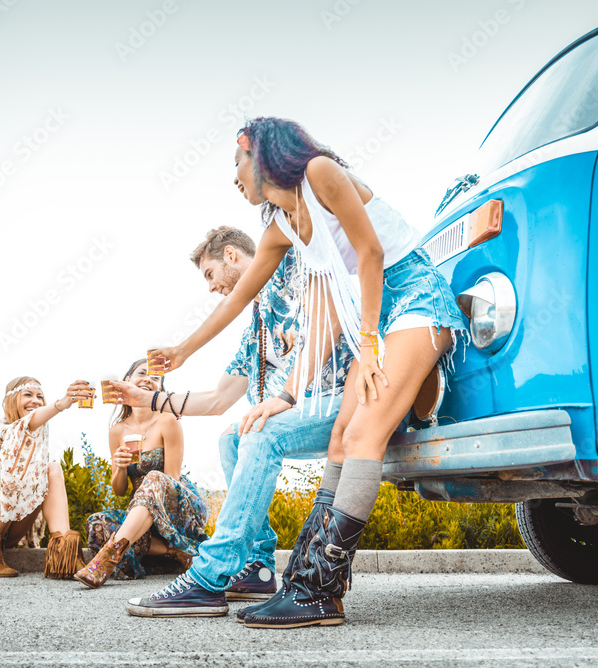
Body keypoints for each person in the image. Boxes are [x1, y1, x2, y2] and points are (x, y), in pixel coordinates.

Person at [146, 117, 467, 628]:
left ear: (263, 154)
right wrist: (195, 355)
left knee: (363, 434)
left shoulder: (320, 173)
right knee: (339, 438)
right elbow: (248, 297)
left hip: (411, 297)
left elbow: (372, 252)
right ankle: (308, 585)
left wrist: (367, 343)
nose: (234, 176)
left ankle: (319, 590)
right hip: (375, 316)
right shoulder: (283, 226)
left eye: (237, 162)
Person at [106, 226, 352, 617]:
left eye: (210, 274)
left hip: (339, 401)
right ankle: (259, 566)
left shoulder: (292, 270)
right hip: (302, 411)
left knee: (261, 431)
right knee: (231, 438)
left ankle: (208, 578)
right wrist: (148, 398)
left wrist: (282, 397)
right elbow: (219, 399)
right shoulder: (255, 332)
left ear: (233, 257)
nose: (210, 288)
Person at [73, 358, 210, 586]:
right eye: (142, 373)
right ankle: (173, 551)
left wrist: (149, 494)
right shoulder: (117, 430)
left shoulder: (168, 421)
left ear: (160, 389)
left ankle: (107, 559)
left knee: (155, 477)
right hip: (140, 511)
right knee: (98, 523)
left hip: (176, 507)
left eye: (155, 377)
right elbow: (119, 491)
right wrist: (120, 467)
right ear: (127, 381)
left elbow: (172, 478)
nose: (148, 379)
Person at [0, 376, 94, 578]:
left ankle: (65, 557)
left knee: (52, 469)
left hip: (9, 529)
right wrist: (61, 404)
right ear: (11, 400)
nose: (36, 401)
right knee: (20, 471)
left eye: (40, 396)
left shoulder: (35, 441)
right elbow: (19, 430)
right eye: (28, 395)